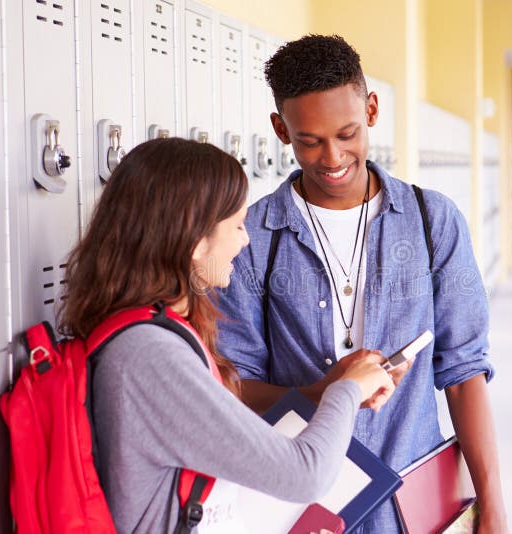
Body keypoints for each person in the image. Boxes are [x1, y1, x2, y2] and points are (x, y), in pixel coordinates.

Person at [217, 35, 508, 533]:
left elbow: (464, 373)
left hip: (412, 504)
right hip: (300, 502)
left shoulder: (432, 221)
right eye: (309, 140)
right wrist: (325, 393)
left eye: (347, 133)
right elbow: (231, 383)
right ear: (280, 130)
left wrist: (493, 503)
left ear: (372, 110)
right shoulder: (251, 237)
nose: (332, 157)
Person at [58, 138, 395, 533]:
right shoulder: (149, 355)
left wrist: (333, 387)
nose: (246, 239)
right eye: (237, 225)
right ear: (195, 240)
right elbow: (305, 474)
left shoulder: (151, 335)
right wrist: (347, 390)